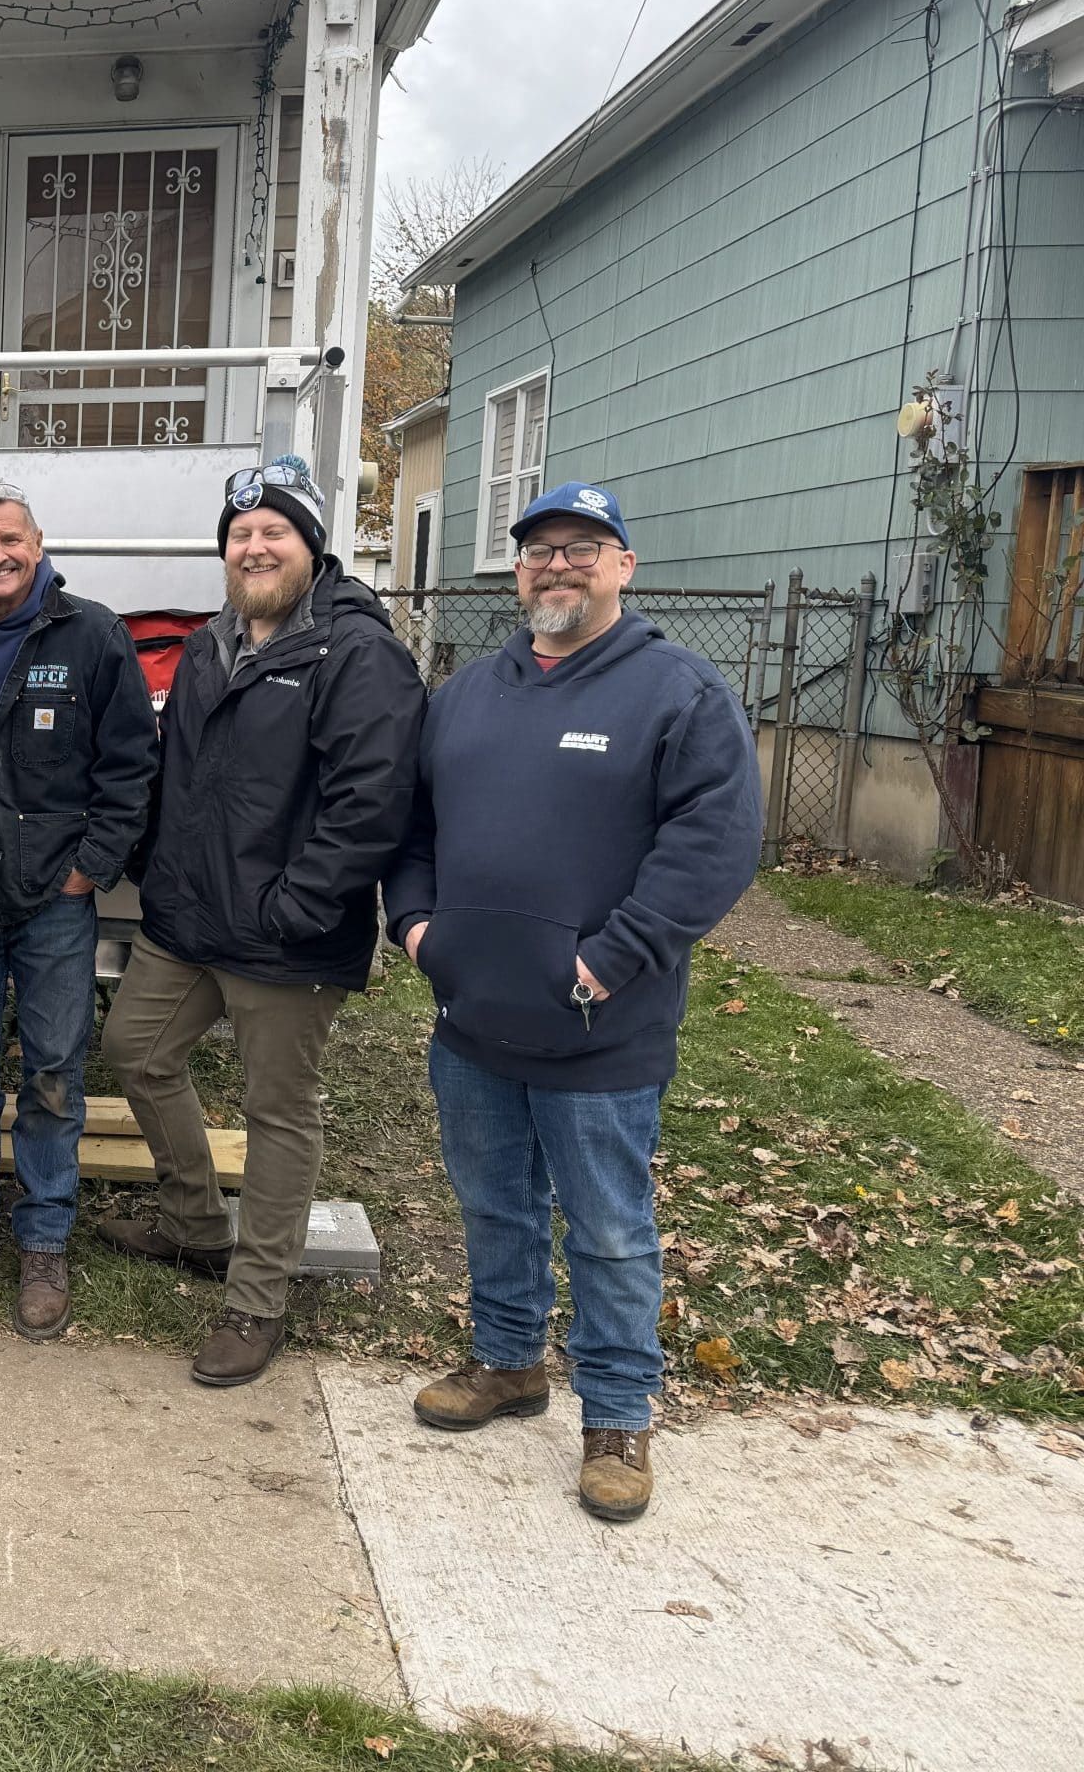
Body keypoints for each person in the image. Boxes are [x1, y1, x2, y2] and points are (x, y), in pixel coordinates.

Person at [386, 481, 760, 1523]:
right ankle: (507, 1360)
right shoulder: (467, 693)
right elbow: (413, 830)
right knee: (493, 1202)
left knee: (606, 1230)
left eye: (582, 548)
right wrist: (415, 927)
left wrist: (611, 959)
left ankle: (618, 1417)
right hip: (472, 1018)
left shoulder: (677, 693)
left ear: (622, 567)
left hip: (602, 1027)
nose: (557, 565)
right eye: (539, 549)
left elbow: (714, 843)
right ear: (517, 571)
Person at [99, 458, 425, 1388]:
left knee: (278, 1110)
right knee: (135, 1050)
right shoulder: (212, 643)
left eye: (274, 531)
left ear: (311, 543)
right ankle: (196, 1223)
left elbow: (373, 801)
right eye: (240, 534)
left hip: (287, 935)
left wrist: (300, 904)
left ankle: (257, 1298)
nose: (254, 547)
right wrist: (151, 861)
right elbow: (177, 769)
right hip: (189, 916)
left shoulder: (357, 654)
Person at [0, 481, 156, 1342]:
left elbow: (131, 766)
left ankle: (45, 1239)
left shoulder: (93, 635)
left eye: (10, 540)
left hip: (56, 900)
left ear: (38, 544)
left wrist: (90, 871)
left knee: (53, 1073)